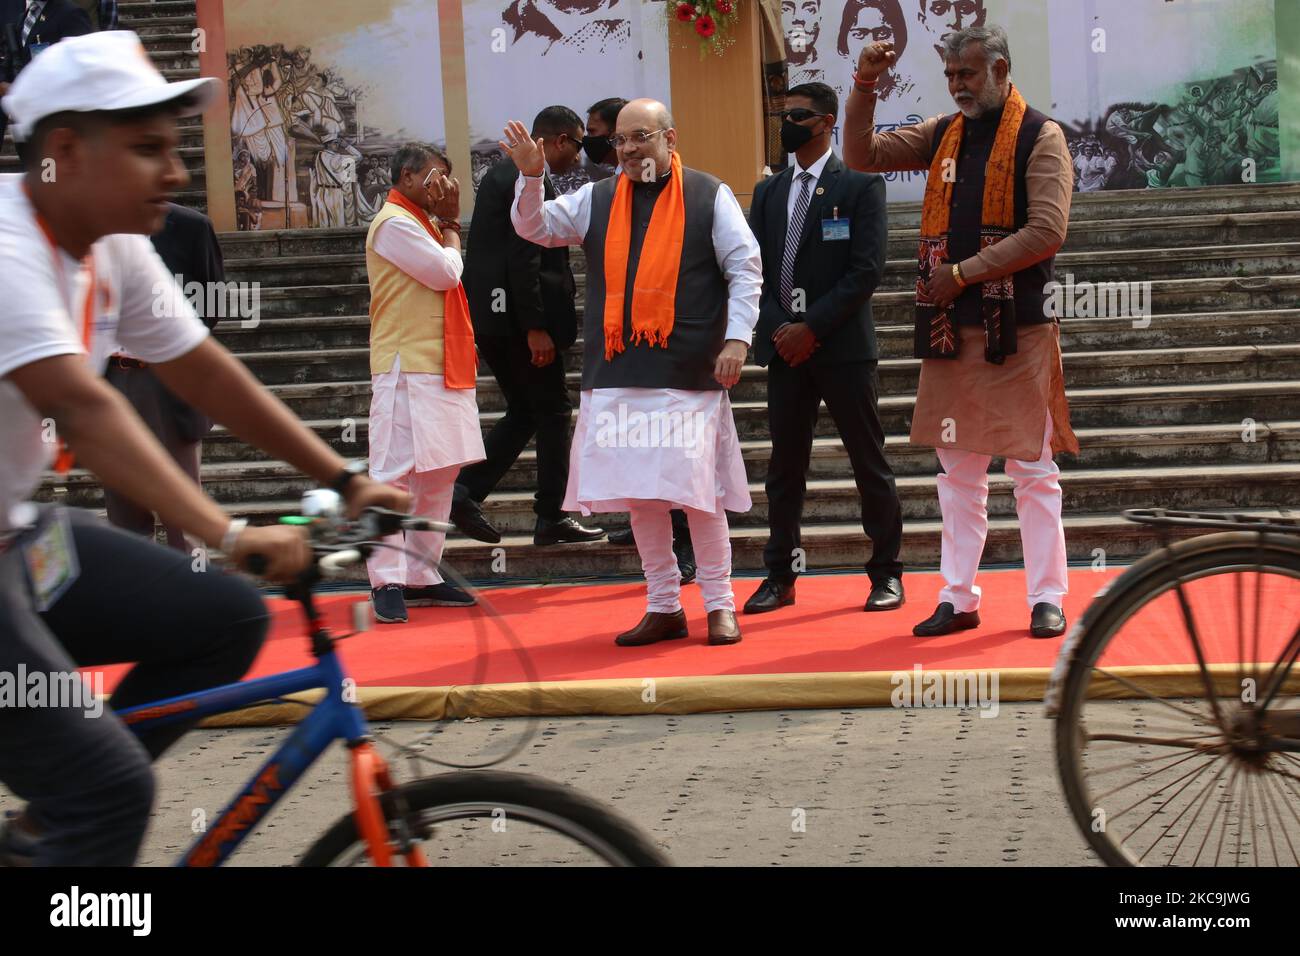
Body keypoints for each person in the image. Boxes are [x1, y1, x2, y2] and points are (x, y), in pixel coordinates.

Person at [0, 31, 408, 866]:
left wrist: (342, 477)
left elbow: (201, 368)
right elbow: (84, 410)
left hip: (17, 537)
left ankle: (44, 832)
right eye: (149, 150)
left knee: (224, 618)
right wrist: (227, 535)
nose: (178, 174)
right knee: (111, 788)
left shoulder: (113, 245)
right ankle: (74, 812)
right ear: (66, 153)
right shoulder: (8, 250)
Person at [843, 27, 1077, 639]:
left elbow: (1048, 231)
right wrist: (865, 82)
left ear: (1000, 68)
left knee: (1032, 470)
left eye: (967, 75)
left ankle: (1047, 597)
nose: (957, 87)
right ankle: (958, 596)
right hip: (950, 331)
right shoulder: (943, 133)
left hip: (1018, 330)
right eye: (950, 77)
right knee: (958, 475)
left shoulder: (1041, 136)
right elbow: (861, 155)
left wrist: (962, 274)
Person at [503, 98, 762, 647]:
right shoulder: (597, 198)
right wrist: (531, 176)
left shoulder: (708, 193)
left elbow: (745, 268)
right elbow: (534, 227)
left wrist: (738, 339)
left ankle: (719, 603)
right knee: (642, 497)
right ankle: (664, 604)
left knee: (699, 496)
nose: (627, 149)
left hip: (689, 370)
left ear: (670, 137)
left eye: (639, 136)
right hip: (618, 372)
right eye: (619, 141)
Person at [744, 81, 904, 616]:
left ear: (828, 121)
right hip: (785, 353)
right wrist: (777, 330)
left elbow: (866, 271)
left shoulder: (859, 185)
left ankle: (886, 573)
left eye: (799, 115)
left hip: (841, 349)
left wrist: (810, 326)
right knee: (785, 470)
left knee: (868, 463)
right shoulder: (768, 192)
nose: (787, 123)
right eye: (783, 113)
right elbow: (753, 270)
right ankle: (779, 577)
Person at [455, 106, 604, 547]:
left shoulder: (505, 176)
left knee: (526, 411)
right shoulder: (522, 179)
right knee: (554, 411)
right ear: (557, 140)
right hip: (520, 325)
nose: (579, 156)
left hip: (499, 322)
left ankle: (467, 491)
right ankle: (552, 515)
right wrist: (535, 327)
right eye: (577, 144)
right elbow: (525, 258)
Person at [364, 143, 485, 624]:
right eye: (437, 177)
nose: (446, 189)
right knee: (392, 476)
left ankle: (421, 575)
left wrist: (446, 226)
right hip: (404, 366)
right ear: (409, 178)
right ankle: (386, 578)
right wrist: (454, 226)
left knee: (440, 473)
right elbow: (443, 272)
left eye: (450, 180)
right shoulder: (394, 222)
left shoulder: (425, 224)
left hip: (440, 364)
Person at [103, 202, 225, 551]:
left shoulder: (190, 227)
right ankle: (136, 597)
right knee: (123, 505)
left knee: (183, 503)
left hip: (170, 377)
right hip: (110, 376)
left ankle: (190, 596)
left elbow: (212, 303)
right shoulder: (93, 222)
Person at [0, 1, 92, 147]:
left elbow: (82, 68)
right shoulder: (22, 18)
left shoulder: (70, 14)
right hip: (28, 122)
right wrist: (5, 85)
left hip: (56, 119)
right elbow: (9, 64)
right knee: (36, 167)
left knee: (49, 168)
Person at [581, 96, 625, 183]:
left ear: (616, 135)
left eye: (592, 131)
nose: (587, 138)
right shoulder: (617, 178)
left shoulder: (638, 178)